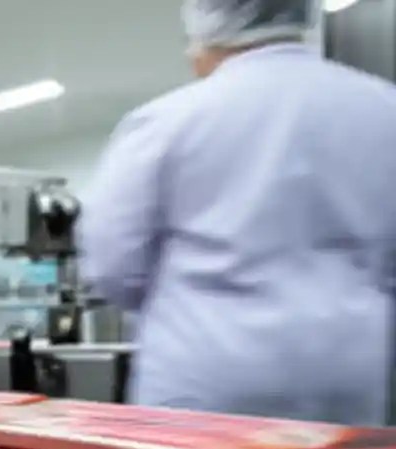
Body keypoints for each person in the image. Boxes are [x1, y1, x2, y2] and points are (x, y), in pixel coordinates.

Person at [78, 0, 396, 425]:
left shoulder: (167, 120)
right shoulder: (384, 109)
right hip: (346, 373)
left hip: (209, 373)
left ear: (207, 32)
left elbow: (112, 266)